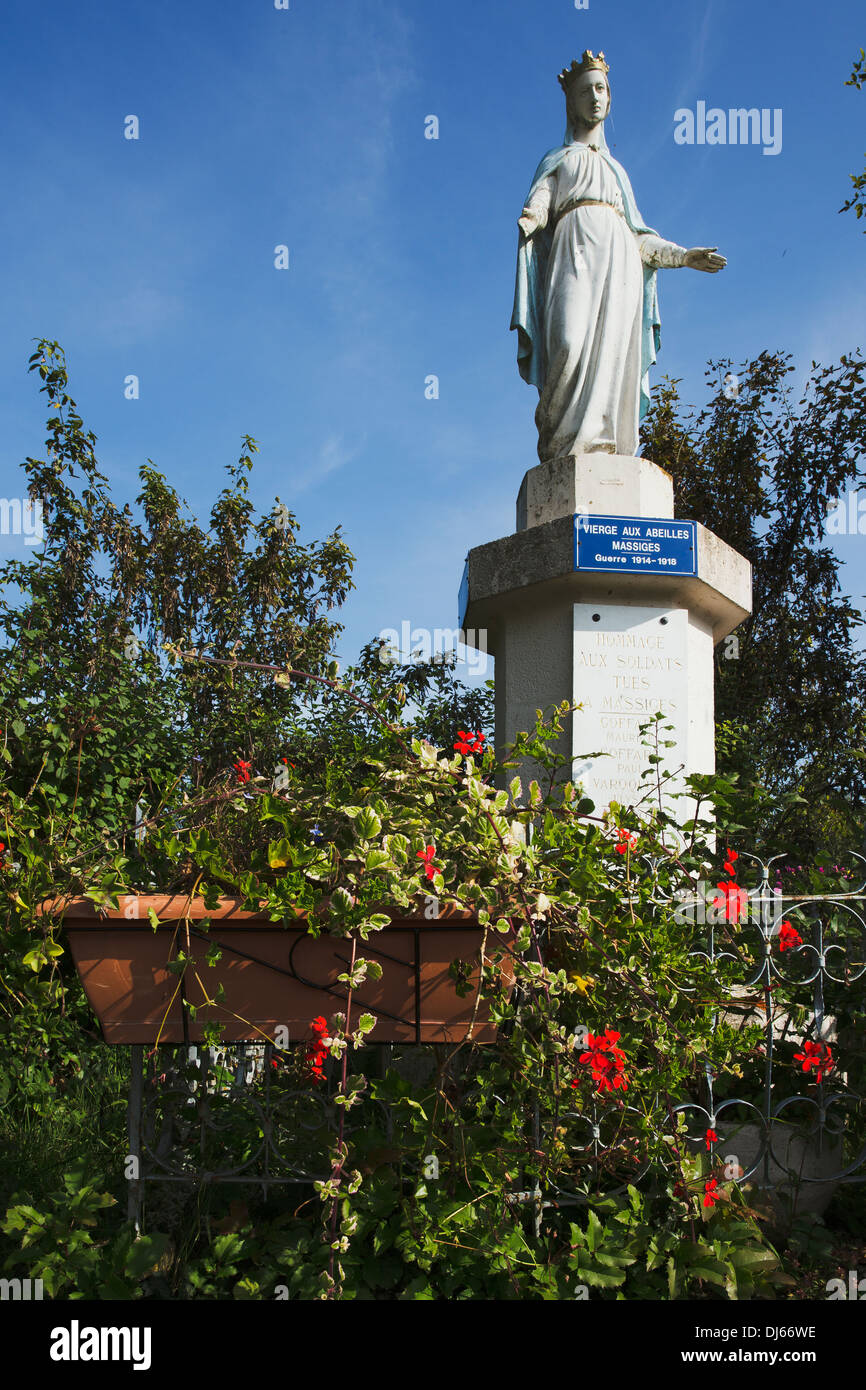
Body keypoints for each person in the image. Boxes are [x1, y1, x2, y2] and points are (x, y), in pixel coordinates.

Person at [512, 51, 725, 462]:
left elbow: (641, 239)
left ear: (609, 99)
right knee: (570, 342)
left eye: (601, 89)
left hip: (620, 264)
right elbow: (541, 200)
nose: (595, 97)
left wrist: (683, 256)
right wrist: (533, 215)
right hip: (574, 253)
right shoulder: (559, 160)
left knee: (614, 357)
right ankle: (561, 450)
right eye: (585, 91)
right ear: (570, 101)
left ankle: (606, 447)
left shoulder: (617, 173)